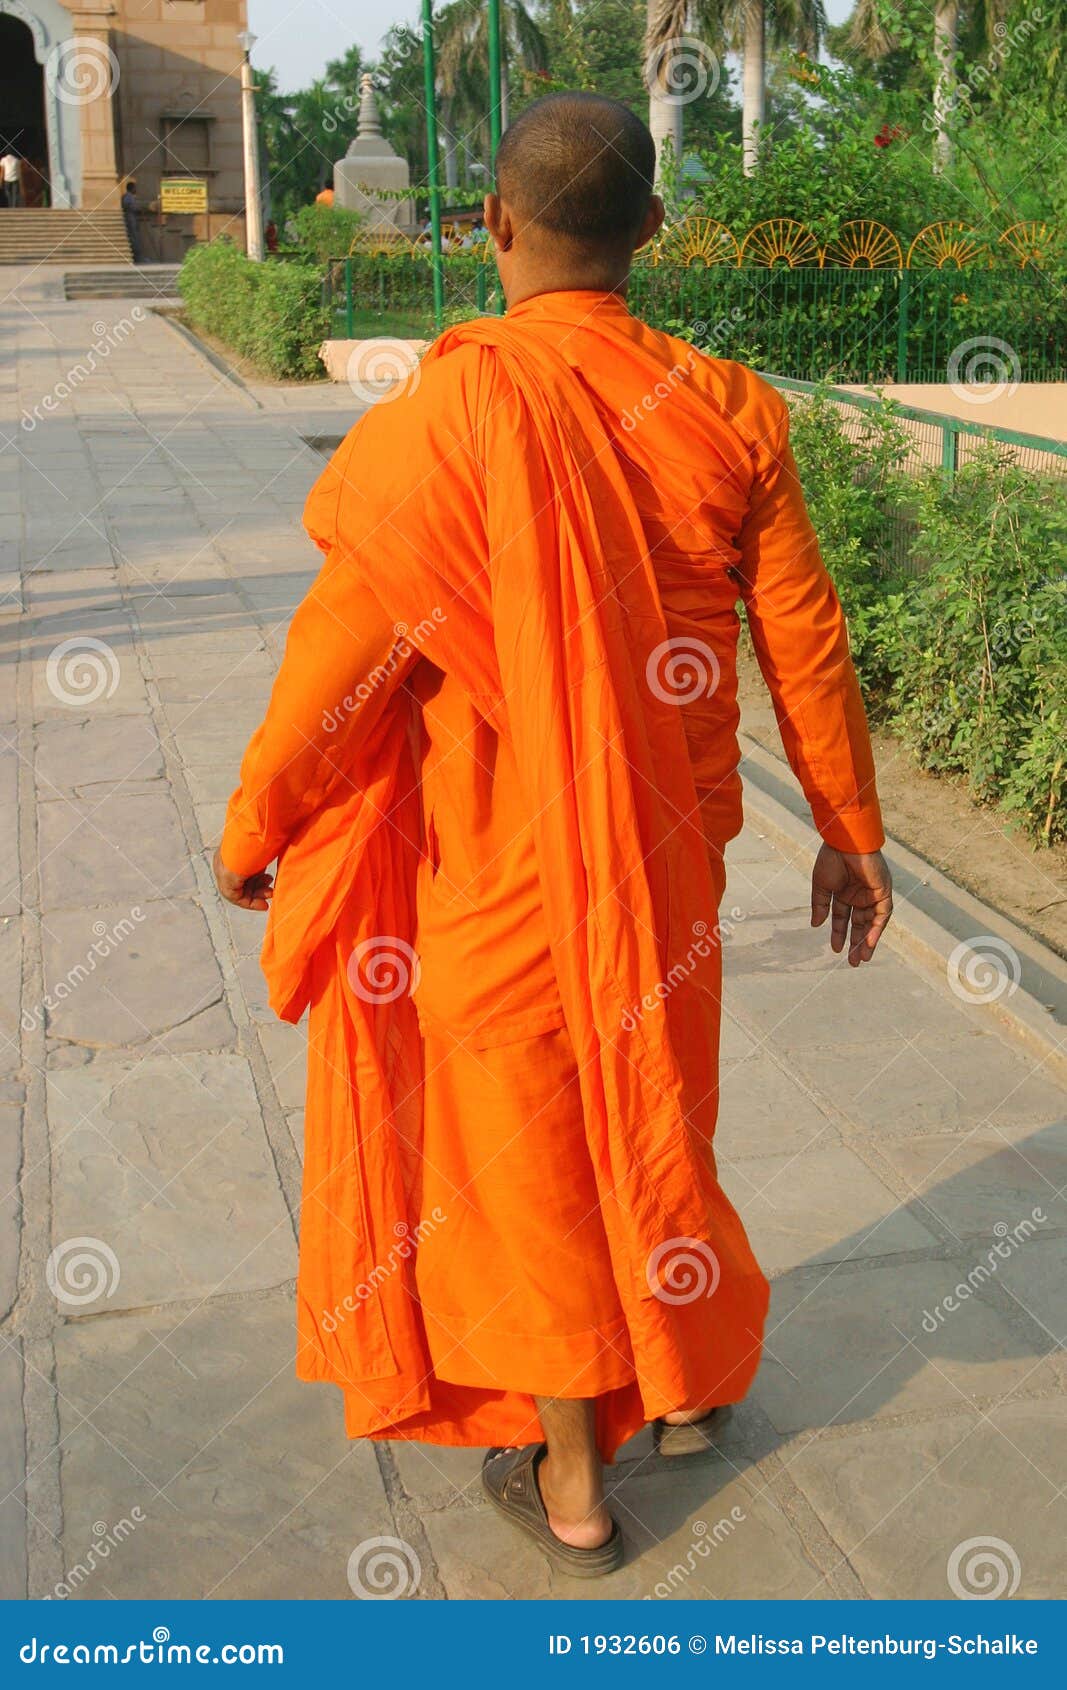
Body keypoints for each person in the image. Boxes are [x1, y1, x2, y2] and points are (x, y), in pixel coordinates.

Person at [214, 92, 892, 1577]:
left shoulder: (439, 419)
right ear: (651, 229)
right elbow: (802, 635)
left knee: (525, 1160)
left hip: (498, 865)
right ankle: (688, 1379)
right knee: (654, 1106)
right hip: (667, 857)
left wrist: (256, 822)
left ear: (491, 227)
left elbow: (336, 667)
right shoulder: (723, 407)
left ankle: (575, 1483)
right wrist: (843, 827)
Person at [121, 179, 142, 263]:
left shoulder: (130, 196)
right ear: (132, 188)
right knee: (134, 237)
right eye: (135, 188)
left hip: (132, 217)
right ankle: (136, 257)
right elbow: (126, 205)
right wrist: (136, 208)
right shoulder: (128, 196)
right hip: (130, 218)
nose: (136, 190)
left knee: (135, 237)